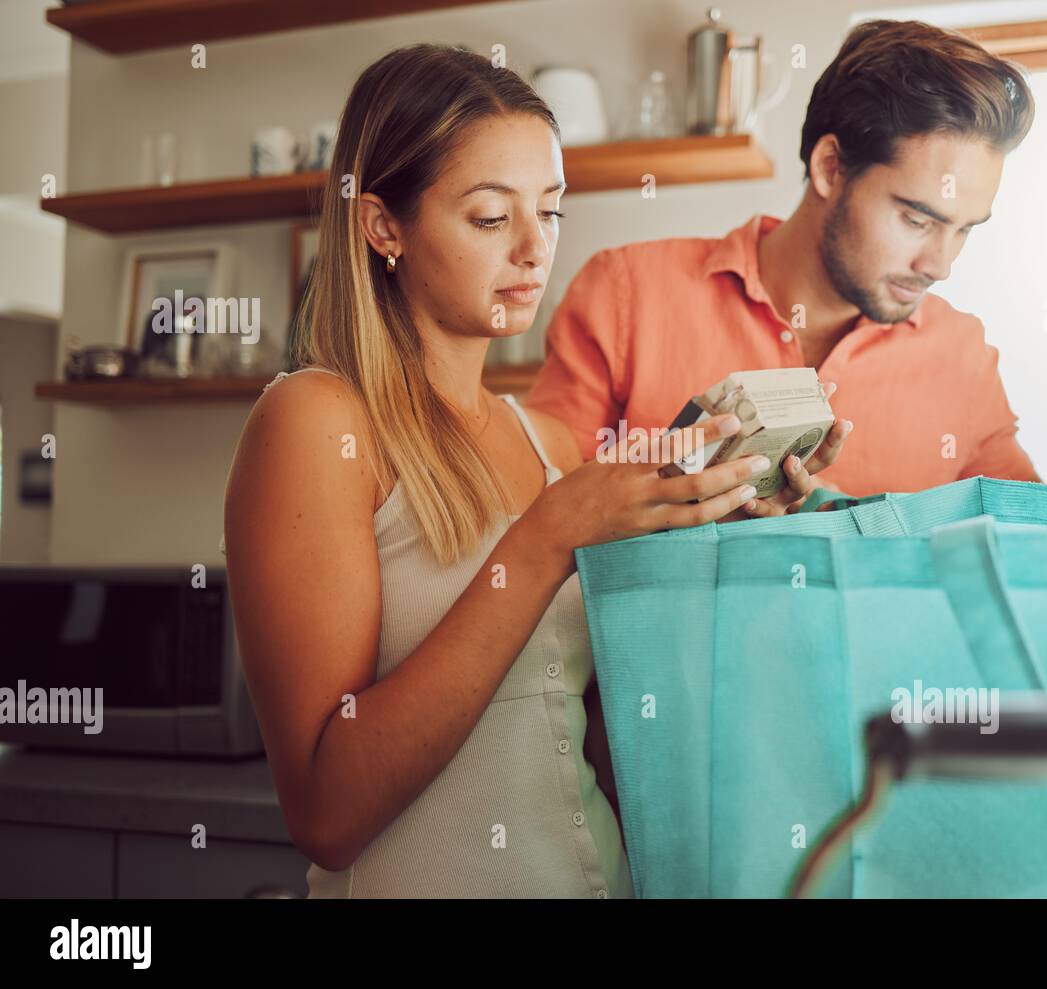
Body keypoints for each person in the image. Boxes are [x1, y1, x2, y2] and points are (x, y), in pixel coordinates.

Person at [221, 43, 843, 898]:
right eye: (489, 217)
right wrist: (548, 537)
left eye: (549, 211)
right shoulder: (316, 422)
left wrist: (727, 515)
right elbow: (327, 812)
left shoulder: (548, 440)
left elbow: (592, 728)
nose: (532, 248)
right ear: (382, 225)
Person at [527, 18, 1047, 517]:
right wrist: (683, 488)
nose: (940, 264)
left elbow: (1022, 540)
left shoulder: (961, 353)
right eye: (916, 218)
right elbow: (537, 516)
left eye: (964, 230)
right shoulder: (626, 294)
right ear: (829, 167)